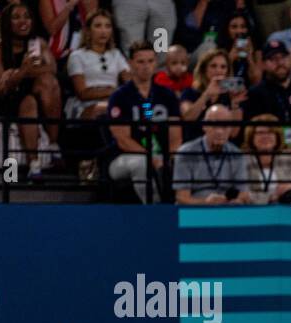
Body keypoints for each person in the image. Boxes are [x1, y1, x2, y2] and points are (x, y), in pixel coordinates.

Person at [0, 2, 62, 166]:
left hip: (32, 101)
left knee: (45, 85)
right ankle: (9, 182)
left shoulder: (37, 44)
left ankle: (47, 152)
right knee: (10, 170)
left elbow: (51, 70)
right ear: (6, 22)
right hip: (5, 109)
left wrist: (14, 74)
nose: (23, 21)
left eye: (27, 17)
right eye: (16, 17)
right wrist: (24, 71)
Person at [106, 42, 184, 204]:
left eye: (150, 61)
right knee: (143, 164)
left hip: (161, 154)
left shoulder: (166, 95)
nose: (146, 66)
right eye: (140, 62)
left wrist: (168, 157)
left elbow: (176, 136)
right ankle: (155, 212)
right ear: (130, 63)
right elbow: (123, 140)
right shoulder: (120, 97)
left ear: (156, 63)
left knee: (186, 159)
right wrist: (151, 156)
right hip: (124, 158)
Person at [173, 103, 249, 204]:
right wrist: (205, 202)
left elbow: (243, 193)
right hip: (194, 210)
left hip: (227, 208)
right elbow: (181, 197)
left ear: (231, 128)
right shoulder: (186, 152)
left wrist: (235, 202)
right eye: (214, 125)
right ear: (204, 126)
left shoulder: (237, 154)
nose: (219, 131)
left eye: (225, 126)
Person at [65, 9, 129, 123]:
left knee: (145, 108)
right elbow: (83, 93)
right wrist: (114, 91)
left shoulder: (116, 54)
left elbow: (130, 82)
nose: (103, 31)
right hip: (86, 106)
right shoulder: (77, 56)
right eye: (98, 26)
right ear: (88, 30)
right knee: (106, 108)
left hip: (114, 101)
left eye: (107, 26)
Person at [244, 114, 291, 204]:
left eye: (270, 132)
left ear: (277, 136)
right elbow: (243, 195)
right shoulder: (242, 159)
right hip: (256, 209)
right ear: (251, 137)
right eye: (260, 133)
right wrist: (271, 197)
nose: (265, 136)